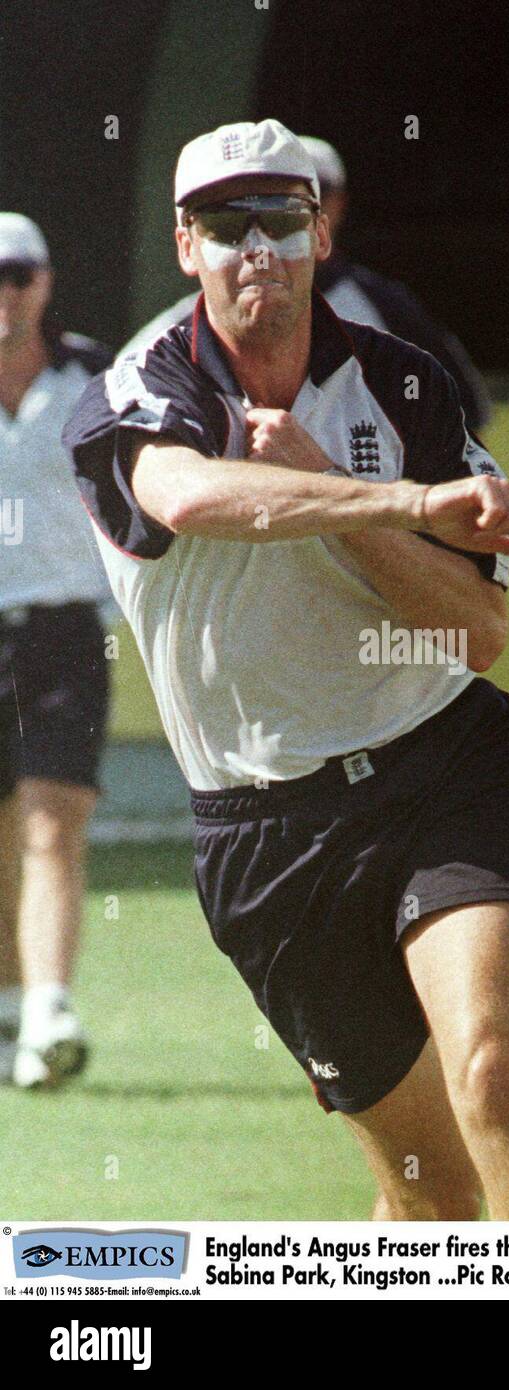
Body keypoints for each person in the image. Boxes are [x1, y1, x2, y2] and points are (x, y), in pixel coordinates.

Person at [63, 119, 509, 1220]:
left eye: (280, 220)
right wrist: (400, 503)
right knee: (425, 1187)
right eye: (226, 224)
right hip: (268, 834)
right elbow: (193, 499)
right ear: (184, 245)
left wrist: (354, 511)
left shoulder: (402, 389)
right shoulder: (139, 388)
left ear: (317, 235)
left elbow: (478, 637)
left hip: (441, 762)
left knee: (493, 1076)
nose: (254, 248)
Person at [123, 135, 491, 433]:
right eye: (229, 222)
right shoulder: (171, 333)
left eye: (286, 208)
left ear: (333, 206)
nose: (260, 241)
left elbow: (463, 410)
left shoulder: (386, 306)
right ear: (187, 245)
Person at [0, 213, 112, 1087]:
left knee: (51, 821)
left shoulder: (98, 380)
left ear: (44, 281)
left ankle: (48, 1012)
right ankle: (13, 1008)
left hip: (67, 629)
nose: (5, 291)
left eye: (18, 273)